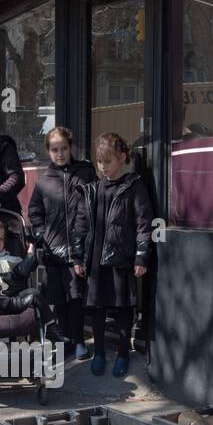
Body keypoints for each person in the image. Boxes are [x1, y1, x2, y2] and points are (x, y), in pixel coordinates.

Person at [73, 132, 152, 379]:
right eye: (99, 162)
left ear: (122, 157)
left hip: (121, 257)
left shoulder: (133, 186)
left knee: (122, 306)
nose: (103, 167)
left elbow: (143, 224)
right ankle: (98, 353)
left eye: (108, 161)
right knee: (96, 305)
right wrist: (77, 257)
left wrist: (141, 257)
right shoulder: (93, 189)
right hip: (95, 258)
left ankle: (122, 352)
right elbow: (81, 225)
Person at [28, 126, 95, 359]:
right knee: (58, 300)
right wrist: (41, 233)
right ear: (48, 151)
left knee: (76, 297)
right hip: (52, 250)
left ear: (71, 148)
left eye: (64, 148)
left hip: (78, 249)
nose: (60, 153)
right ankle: (64, 340)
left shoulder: (85, 173)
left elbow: (94, 204)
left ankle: (78, 340)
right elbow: (35, 211)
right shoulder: (44, 180)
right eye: (55, 149)